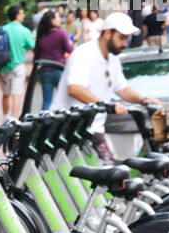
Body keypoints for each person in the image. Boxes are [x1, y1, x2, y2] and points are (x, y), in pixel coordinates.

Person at [55, 11, 159, 162]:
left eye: (127, 39)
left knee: (109, 176)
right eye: (122, 38)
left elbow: (121, 88)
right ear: (107, 33)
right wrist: (106, 105)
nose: (125, 43)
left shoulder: (112, 58)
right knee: (105, 175)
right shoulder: (84, 54)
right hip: (72, 130)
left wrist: (143, 100)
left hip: (95, 129)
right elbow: (75, 89)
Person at [0, 3, 35, 117]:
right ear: (17, 15)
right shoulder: (24, 31)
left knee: (5, 94)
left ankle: (5, 118)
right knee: (16, 95)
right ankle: (13, 121)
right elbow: (32, 46)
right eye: (22, 13)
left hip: (3, 67)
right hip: (18, 66)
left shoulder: (2, 29)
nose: (23, 15)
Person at [34, 9, 73, 110]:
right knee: (64, 100)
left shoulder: (41, 35)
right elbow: (70, 50)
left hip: (44, 72)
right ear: (52, 20)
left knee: (47, 101)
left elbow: (36, 56)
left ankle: (44, 123)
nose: (60, 19)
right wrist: (70, 42)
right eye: (58, 17)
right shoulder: (61, 33)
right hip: (58, 70)